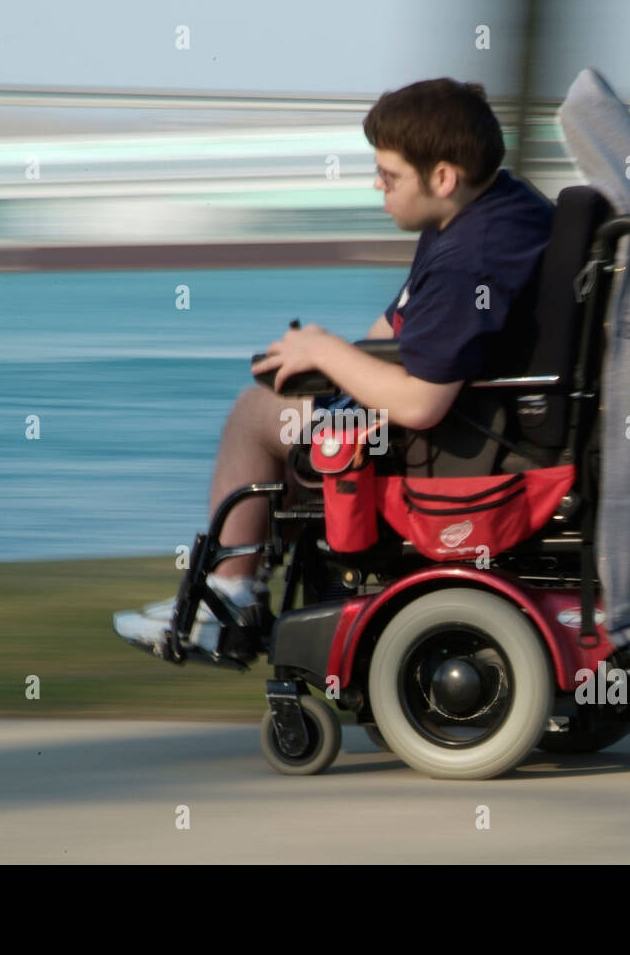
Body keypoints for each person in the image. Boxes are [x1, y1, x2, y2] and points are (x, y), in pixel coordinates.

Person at [114, 77, 554, 656]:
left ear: (442, 177)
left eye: (389, 175)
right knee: (287, 400)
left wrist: (324, 352)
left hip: (450, 445)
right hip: (478, 423)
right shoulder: (494, 210)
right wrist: (321, 364)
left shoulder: (469, 259)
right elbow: (393, 331)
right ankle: (246, 590)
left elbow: (422, 402)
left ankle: (227, 601)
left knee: (254, 417)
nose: (378, 185)